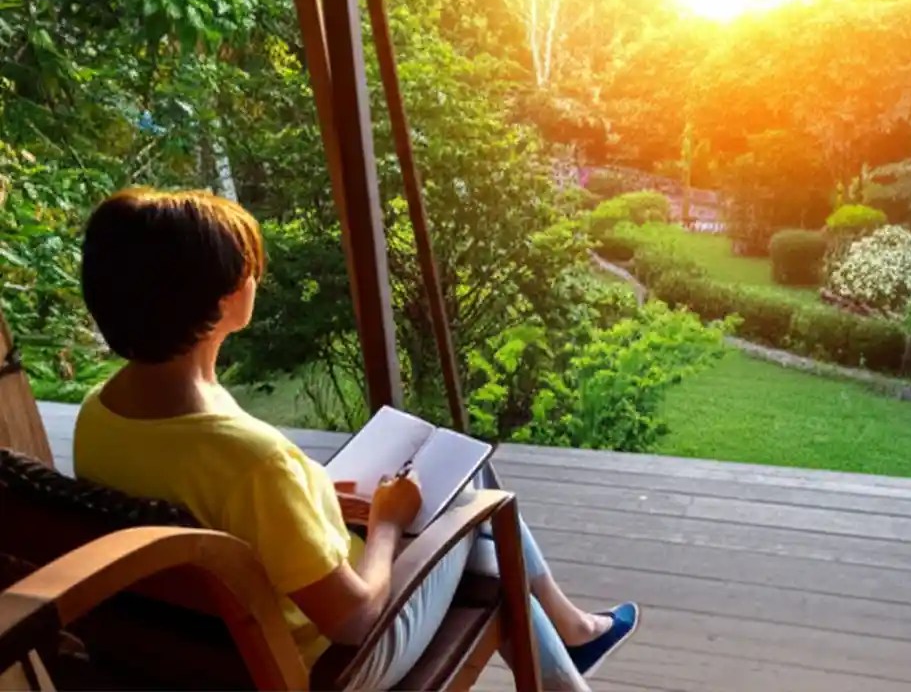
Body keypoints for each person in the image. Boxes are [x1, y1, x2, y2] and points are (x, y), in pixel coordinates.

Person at [71, 188, 639, 690]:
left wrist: (315, 499)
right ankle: (571, 639)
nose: (254, 278)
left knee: (471, 521)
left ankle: (571, 637)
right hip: (327, 664)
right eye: (247, 269)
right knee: (477, 507)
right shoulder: (255, 463)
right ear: (221, 303)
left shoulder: (101, 413)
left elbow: (215, 504)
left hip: (197, 654)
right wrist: (388, 522)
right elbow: (356, 619)